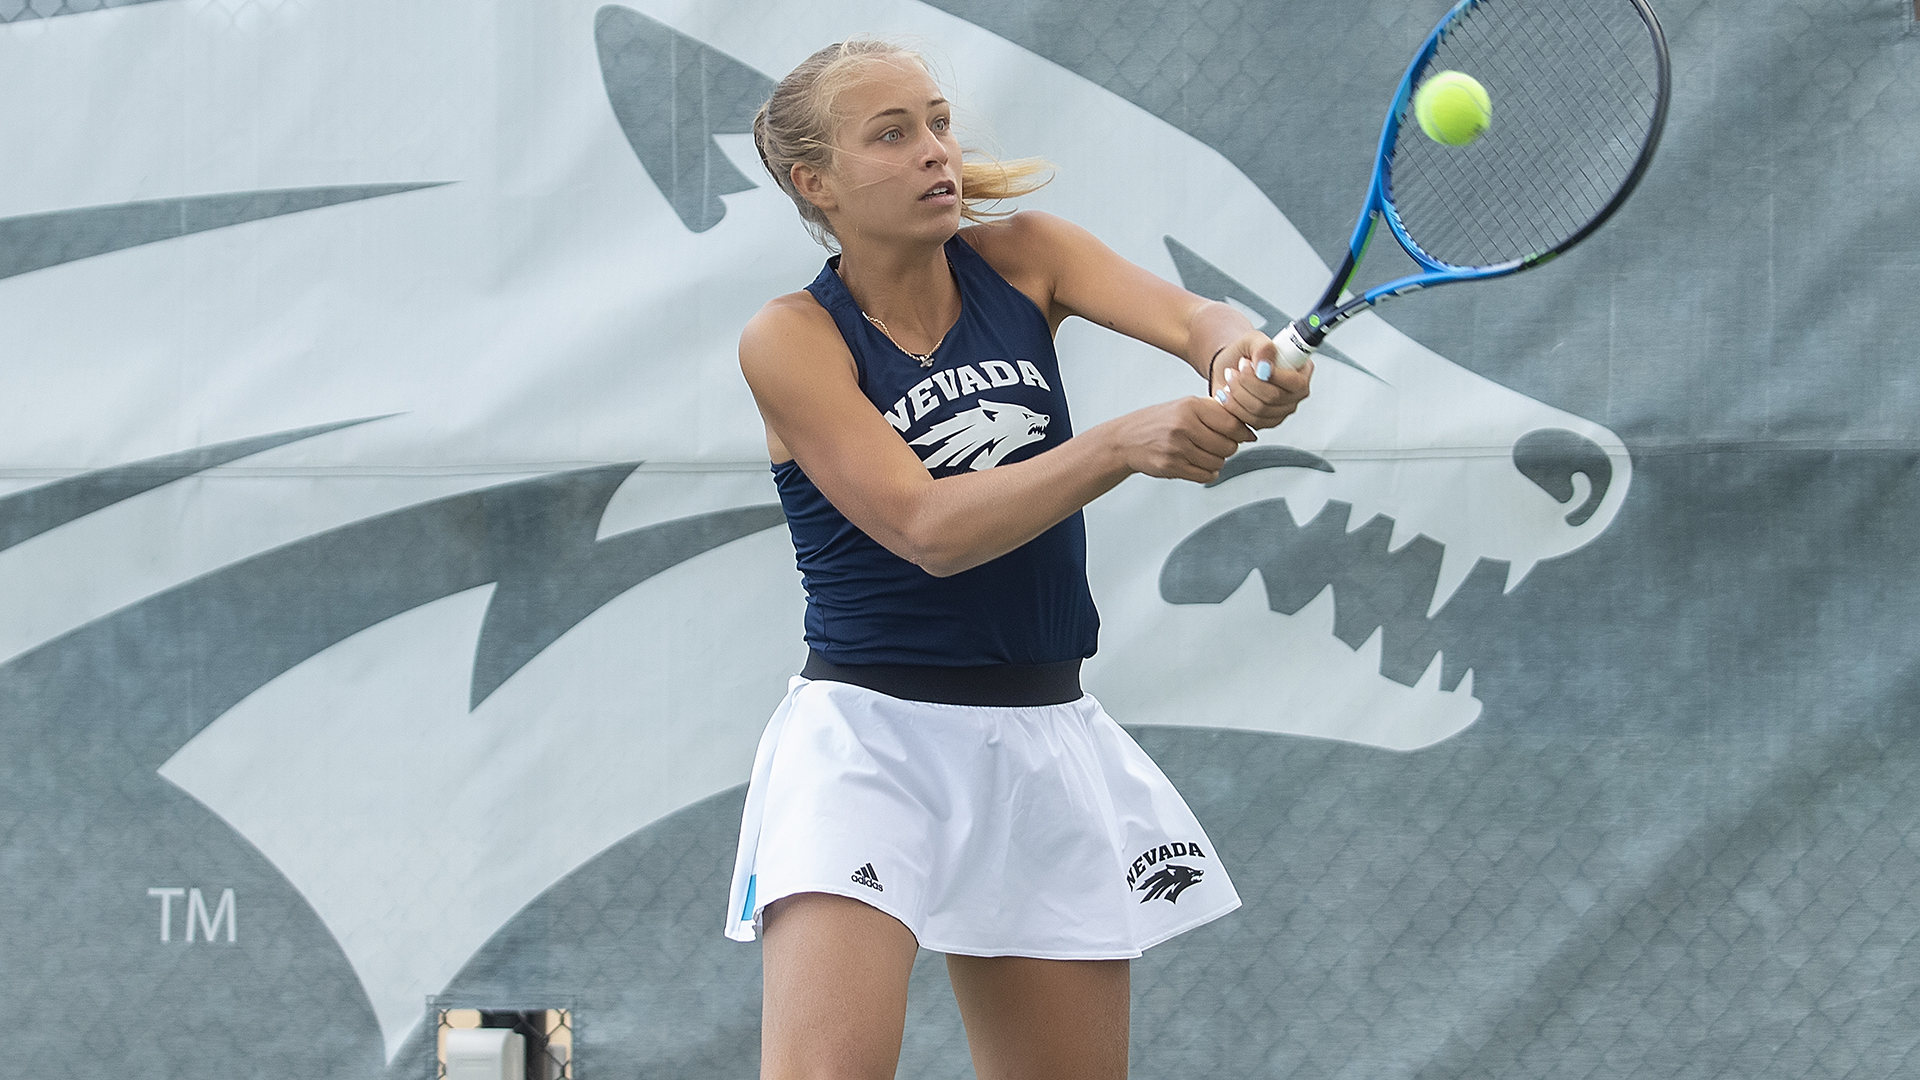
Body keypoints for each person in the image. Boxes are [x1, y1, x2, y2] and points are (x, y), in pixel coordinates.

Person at [724, 38, 1311, 1080]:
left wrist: (1238, 356)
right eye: (893, 134)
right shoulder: (790, 339)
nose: (936, 151)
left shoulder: (1027, 255)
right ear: (814, 182)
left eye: (939, 123)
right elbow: (926, 530)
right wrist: (1122, 445)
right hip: (869, 745)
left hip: (1040, 735)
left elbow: (1195, 317)